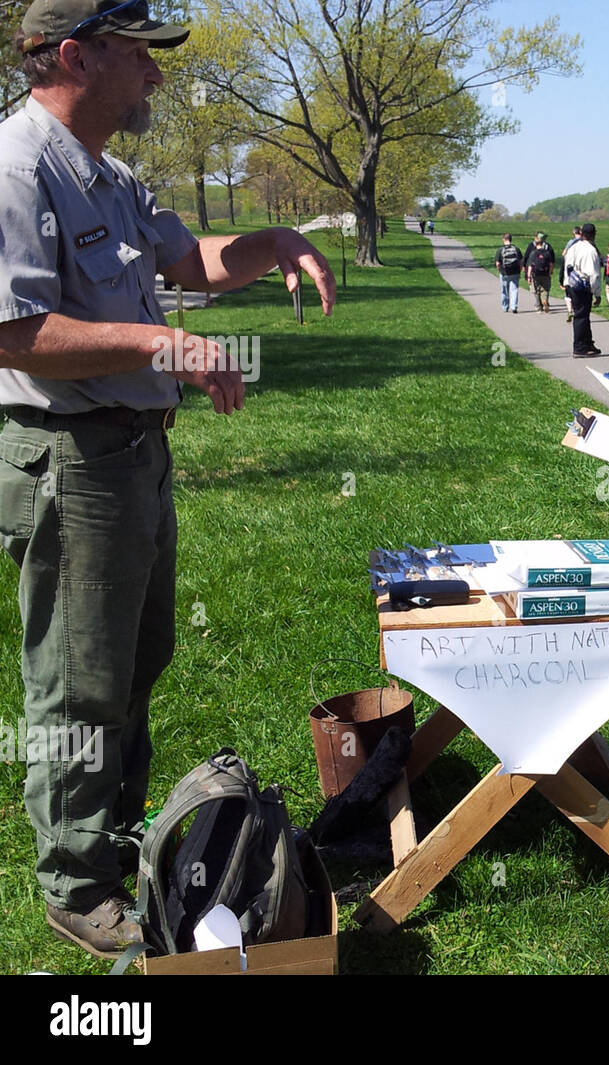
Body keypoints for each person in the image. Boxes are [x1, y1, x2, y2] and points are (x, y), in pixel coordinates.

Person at [0, 0, 336, 959]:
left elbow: (193, 263)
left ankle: (112, 840)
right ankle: (74, 881)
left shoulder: (109, 173)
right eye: (139, 56)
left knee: (136, 664)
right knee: (77, 680)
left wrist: (274, 241)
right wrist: (162, 339)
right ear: (74, 53)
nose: (156, 76)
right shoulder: (17, 167)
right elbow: (14, 334)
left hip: (133, 454)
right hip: (69, 461)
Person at [564, 222, 601, 358]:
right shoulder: (591, 250)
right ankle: (579, 347)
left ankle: (588, 344)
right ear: (593, 234)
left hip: (571, 283)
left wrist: (565, 283)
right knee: (581, 316)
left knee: (584, 316)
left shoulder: (573, 247)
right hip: (583, 286)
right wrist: (597, 293)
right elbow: (594, 274)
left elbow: (567, 265)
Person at [525, 231, 555, 313]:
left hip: (535, 274)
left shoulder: (533, 252)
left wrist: (528, 276)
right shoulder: (547, 252)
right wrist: (550, 272)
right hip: (545, 273)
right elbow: (551, 263)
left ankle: (539, 306)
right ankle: (545, 301)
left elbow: (530, 265)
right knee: (545, 289)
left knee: (536, 290)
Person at [495, 232, 523, 313]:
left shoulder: (500, 250)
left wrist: (500, 270)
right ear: (511, 239)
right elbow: (521, 261)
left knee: (504, 290)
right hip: (515, 273)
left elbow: (498, 263)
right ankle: (514, 307)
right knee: (514, 290)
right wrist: (520, 270)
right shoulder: (516, 249)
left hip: (504, 273)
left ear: (503, 239)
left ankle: (505, 307)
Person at [561, 225, 582, 320]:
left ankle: (570, 310)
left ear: (574, 233)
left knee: (568, 292)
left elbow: (563, 254)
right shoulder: (584, 243)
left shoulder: (571, 242)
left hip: (570, 270)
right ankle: (578, 310)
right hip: (581, 269)